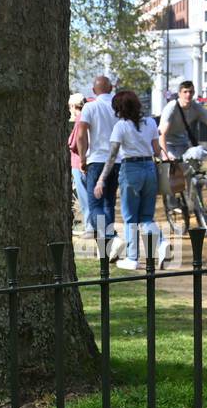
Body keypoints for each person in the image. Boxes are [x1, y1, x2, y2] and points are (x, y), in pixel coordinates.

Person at [94, 91, 163, 272]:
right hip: (149, 168)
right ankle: (162, 245)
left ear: (119, 108)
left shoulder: (121, 126)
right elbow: (157, 150)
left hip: (130, 169)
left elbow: (112, 156)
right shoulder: (150, 122)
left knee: (130, 217)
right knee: (147, 216)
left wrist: (101, 179)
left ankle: (132, 257)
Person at [159, 80, 207, 198]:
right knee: (172, 173)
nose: (188, 95)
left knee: (193, 169)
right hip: (166, 144)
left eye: (191, 92)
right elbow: (162, 134)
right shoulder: (172, 107)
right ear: (179, 93)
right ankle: (172, 203)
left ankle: (196, 205)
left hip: (182, 143)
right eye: (185, 92)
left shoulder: (196, 107)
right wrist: (165, 156)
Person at [76, 75, 118, 244]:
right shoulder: (119, 107)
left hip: (97, 160)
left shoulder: (90, 107)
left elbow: (81, 135)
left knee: (95, 205)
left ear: (94, 91)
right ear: (111, 88)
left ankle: (109, 238)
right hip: (116, 160)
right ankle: (108, 245)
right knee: (109, 203)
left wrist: (82, 158)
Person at [66, 93, 91, 233]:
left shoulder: (80, 119)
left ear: (73, 106)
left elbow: (74, 142)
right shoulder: (87, 117)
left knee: (84, 197)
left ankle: (89, 225)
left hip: (78, 162)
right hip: (85, 161)